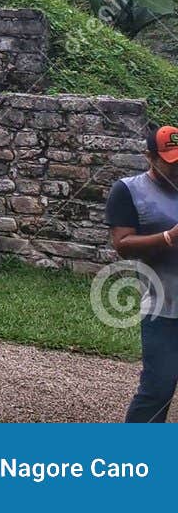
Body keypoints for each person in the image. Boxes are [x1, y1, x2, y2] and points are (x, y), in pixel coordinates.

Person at [107, 125, 178, 422]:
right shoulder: (129, 190)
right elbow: (123, 245)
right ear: (149, 157)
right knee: (158, 389)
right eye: (170, 162)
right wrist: (169, 238)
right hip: (163, 306)